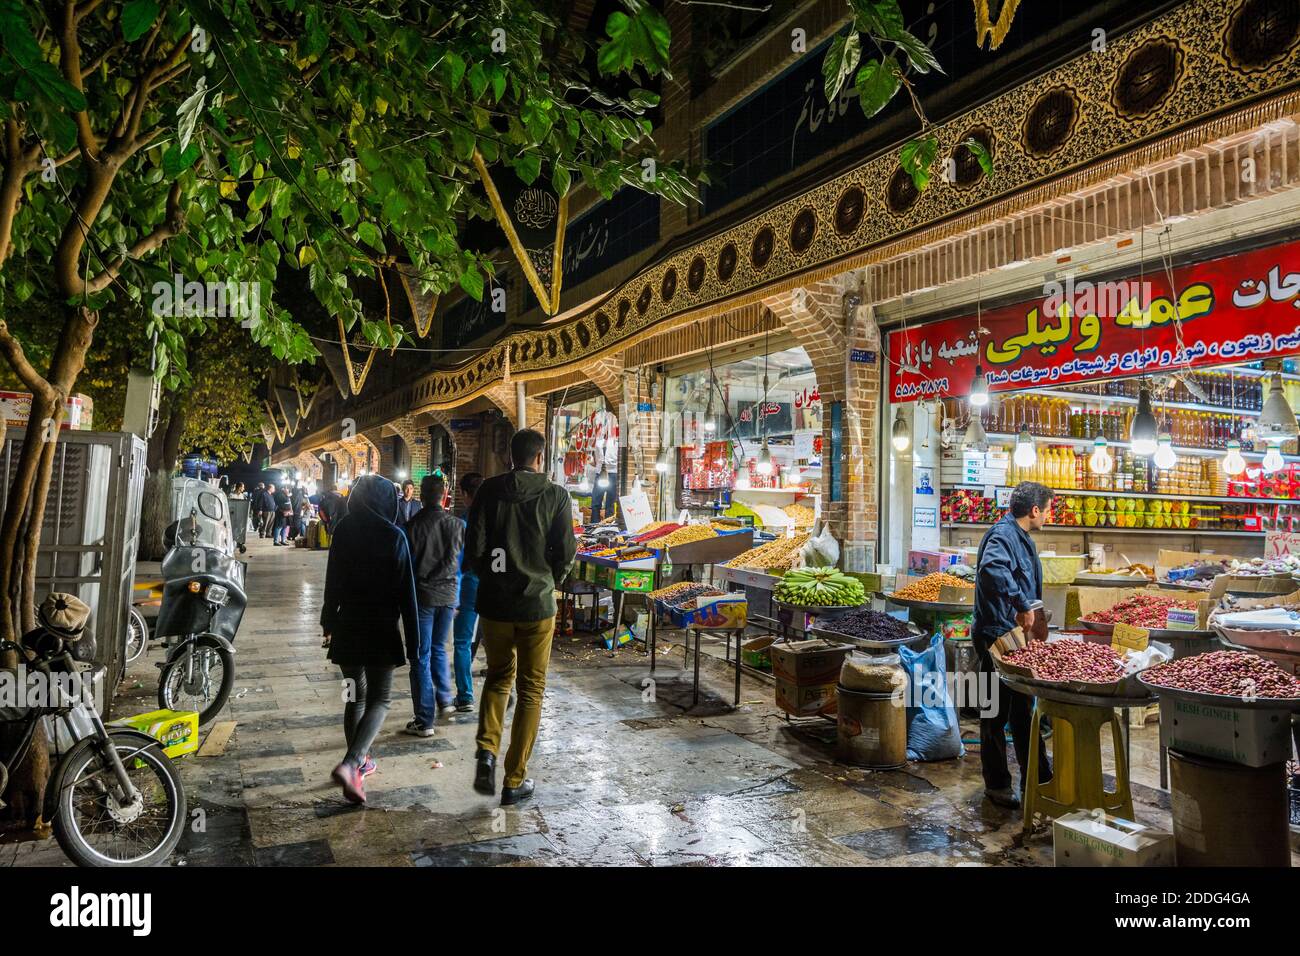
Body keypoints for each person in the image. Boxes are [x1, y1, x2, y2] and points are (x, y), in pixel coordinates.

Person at [465, 428, 576, 806]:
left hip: (495, 606)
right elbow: (564, 551)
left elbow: (474, 546)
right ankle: (514, 780)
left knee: (498, 678)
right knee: (531, 689)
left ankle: (486, 750)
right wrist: (549, 580)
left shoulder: (488, 490)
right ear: (540, 457)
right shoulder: (556, 495)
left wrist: (492, 578)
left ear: (509, 455)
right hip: (536, 606)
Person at [320, 474, 419, 804]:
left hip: (347, 626)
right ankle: (352, 763)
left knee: (354, 696)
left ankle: (359, 762)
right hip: (380, 629)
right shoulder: (394, 536)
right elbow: (408, 594)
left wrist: (327, 620)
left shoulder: (344, 530)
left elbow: (332, 579)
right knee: (381, 699)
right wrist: (415, 641)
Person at [974, 480, 1054, 810]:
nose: (1049, 516)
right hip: (996, 635)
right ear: (1035, 510)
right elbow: (992, 571)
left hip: (1014, 635)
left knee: (1023, 710)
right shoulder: (1003, 535)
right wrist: (1021, 604)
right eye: (1048, 510)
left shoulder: (1021, 538)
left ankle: (1038, 778)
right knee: (994, 711)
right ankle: (997, 784)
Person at [402, 473, 464, 736]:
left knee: (420, 656)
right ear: (444, 495)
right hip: (450, 595)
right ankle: (446, 700)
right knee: (439, 648)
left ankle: (424, 719)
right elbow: (467, 562)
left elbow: (405, 568)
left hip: (423, 596)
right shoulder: (458, 525)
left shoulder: (412, 526)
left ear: (422, 496)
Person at [451, 472, 484, 711]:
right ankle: (504, 689)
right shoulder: (497, 516)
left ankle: (465, 695)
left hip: (470, 584)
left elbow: (459, 562)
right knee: (497, 639)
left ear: (464, 494)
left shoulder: (463, 521)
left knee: (462, 641)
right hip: (496, 585)